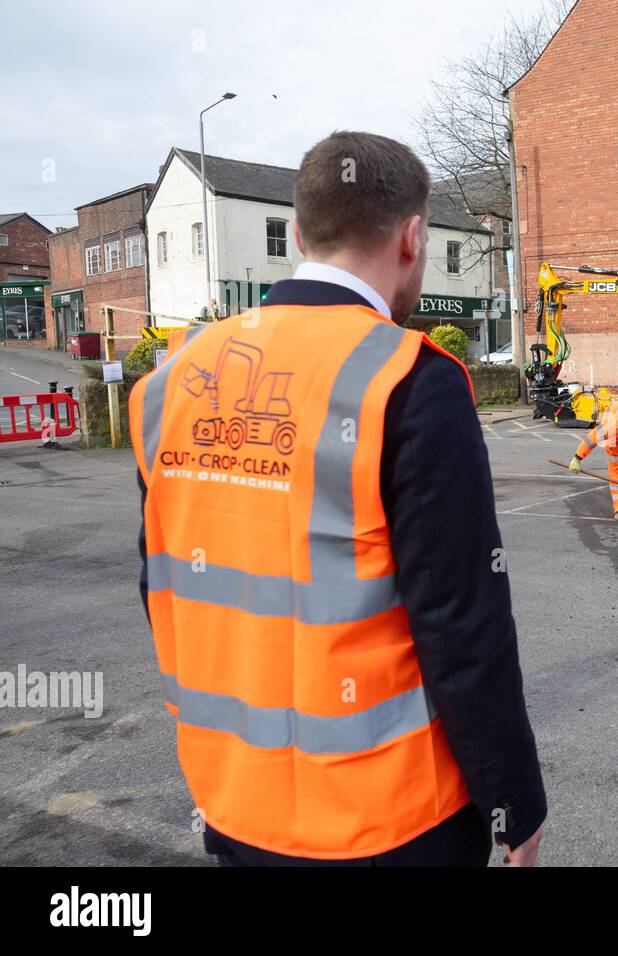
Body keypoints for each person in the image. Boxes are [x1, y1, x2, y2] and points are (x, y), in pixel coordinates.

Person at [128, 131, 545, 867]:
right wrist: (514, 799)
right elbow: (462, 623)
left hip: (231, 802)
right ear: (413, 237)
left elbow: (158, 579)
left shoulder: (170, 380)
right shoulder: (410, 380)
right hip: (389, 819)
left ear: (295, 234)